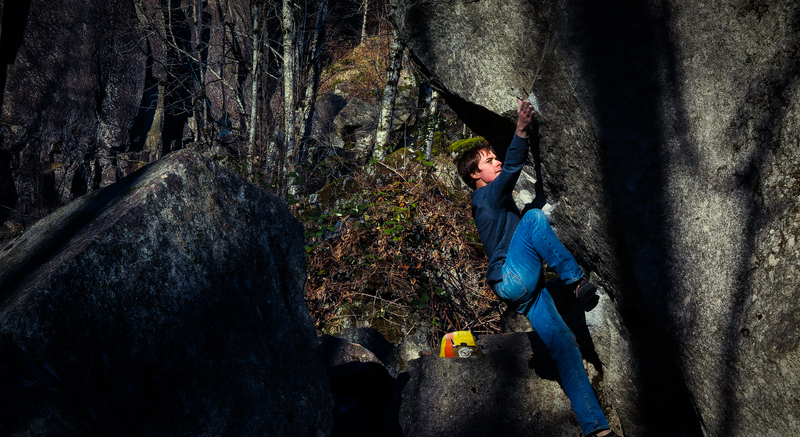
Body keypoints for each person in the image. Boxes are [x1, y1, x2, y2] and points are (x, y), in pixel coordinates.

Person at [454, 99, 621, 437]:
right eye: (489, 161)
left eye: (494, 157)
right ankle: (575, 281)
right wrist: (520, 130)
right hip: (513, 277)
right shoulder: (484, 198)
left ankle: (596, 429)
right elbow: (513, 168)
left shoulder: (491, 202)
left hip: (522, 292)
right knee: (531, 217)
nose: (496, 161)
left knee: (565, 347)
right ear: (476, 176)